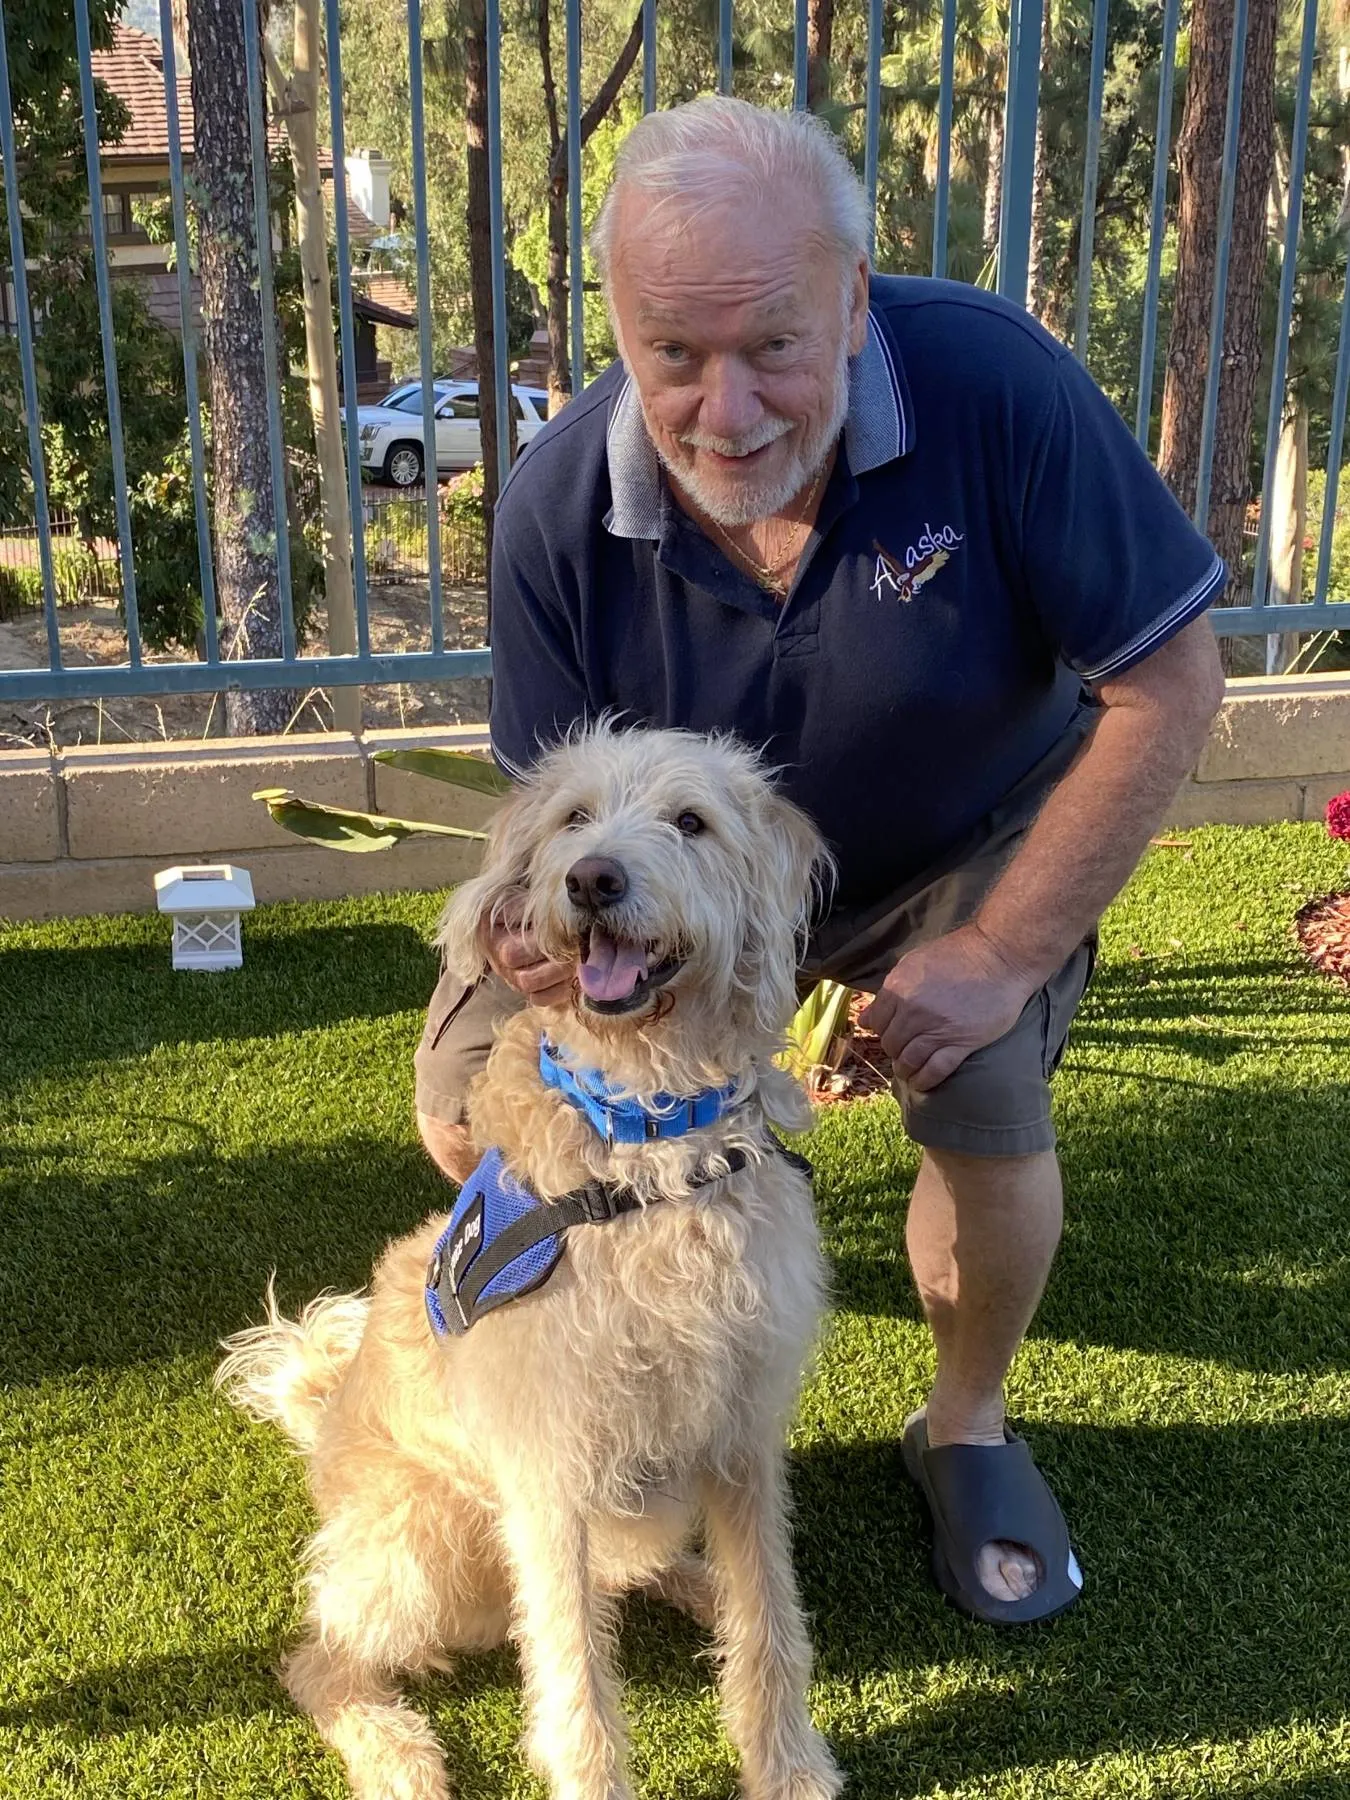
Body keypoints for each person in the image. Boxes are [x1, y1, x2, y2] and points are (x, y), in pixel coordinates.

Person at [414, 96, 1226, 1624]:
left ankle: (965, 1417)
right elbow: (543, 824)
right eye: (674, 355)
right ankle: (603, 1391)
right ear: (620, 329)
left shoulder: (998, 387)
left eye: (772, 347)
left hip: (956, 840)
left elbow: (1168, 684)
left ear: (853, 301)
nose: (725, 412)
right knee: (464, 1096)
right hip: (676, 873)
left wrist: (993, 955)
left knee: (978, 1091)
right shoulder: (550, 506)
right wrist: (526, 944)